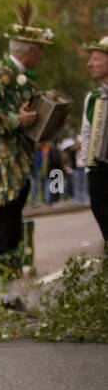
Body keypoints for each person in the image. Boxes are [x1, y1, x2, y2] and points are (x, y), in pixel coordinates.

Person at [0, 9, 52, 299]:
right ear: (29, 51)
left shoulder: (19, 75)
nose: (42, 57)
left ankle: (8, 292)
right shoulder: (2, 73)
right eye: (40, 51)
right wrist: (16, 119)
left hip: (16, 164)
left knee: (11, 228)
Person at [80, 35, 108, 238]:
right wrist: (90, 170)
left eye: (96, 59)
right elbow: (87, 136)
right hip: (101, 175)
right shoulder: (93, 98)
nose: (90, 64)